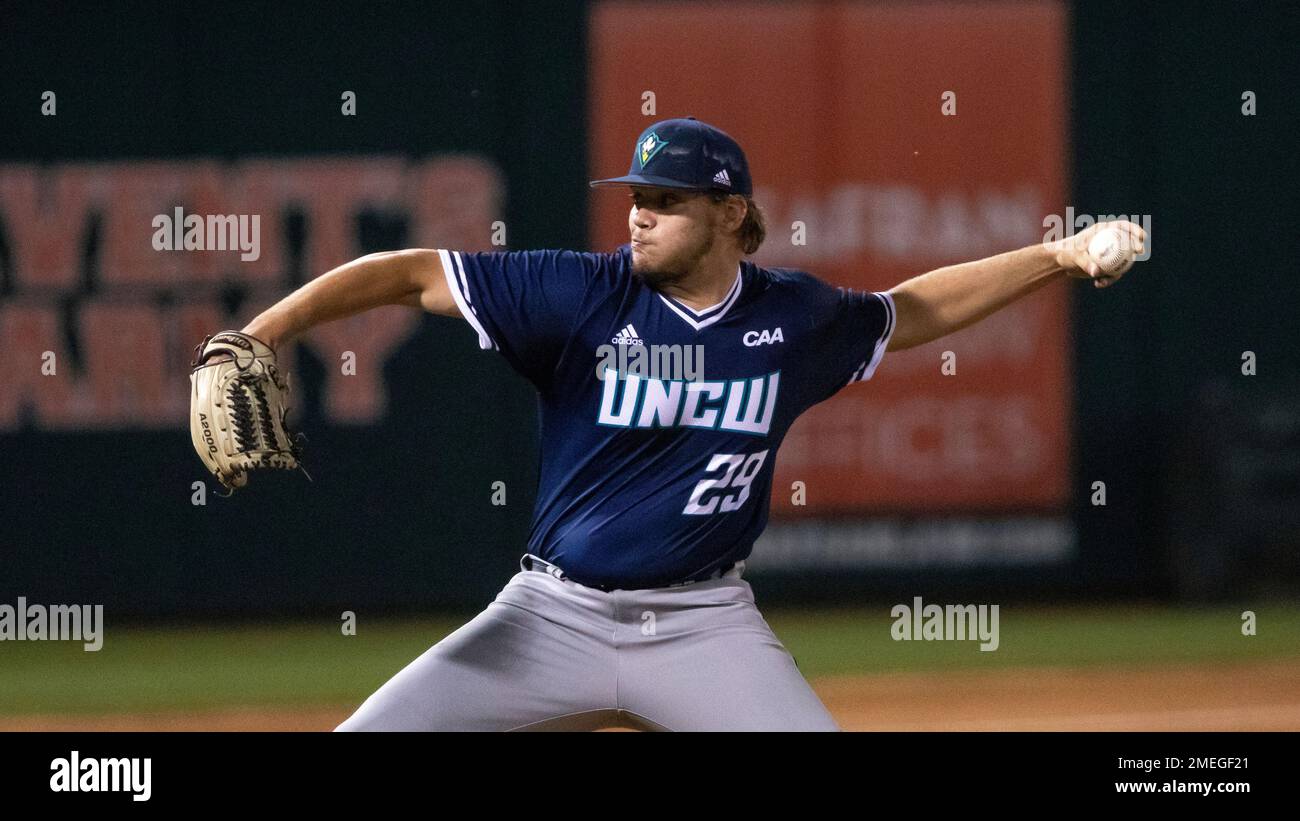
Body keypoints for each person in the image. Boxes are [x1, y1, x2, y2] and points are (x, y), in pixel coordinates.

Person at [233, 117, 1144, 731]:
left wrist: (1057, 255)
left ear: (730, 214)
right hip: (551, 616)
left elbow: (912, 311)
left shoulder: (796, 318)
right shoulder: (579, 292)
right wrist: (262, 333)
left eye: (667, 200)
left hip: (707, 626)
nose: (640, 210)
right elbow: (407, 271)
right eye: (638, 193)